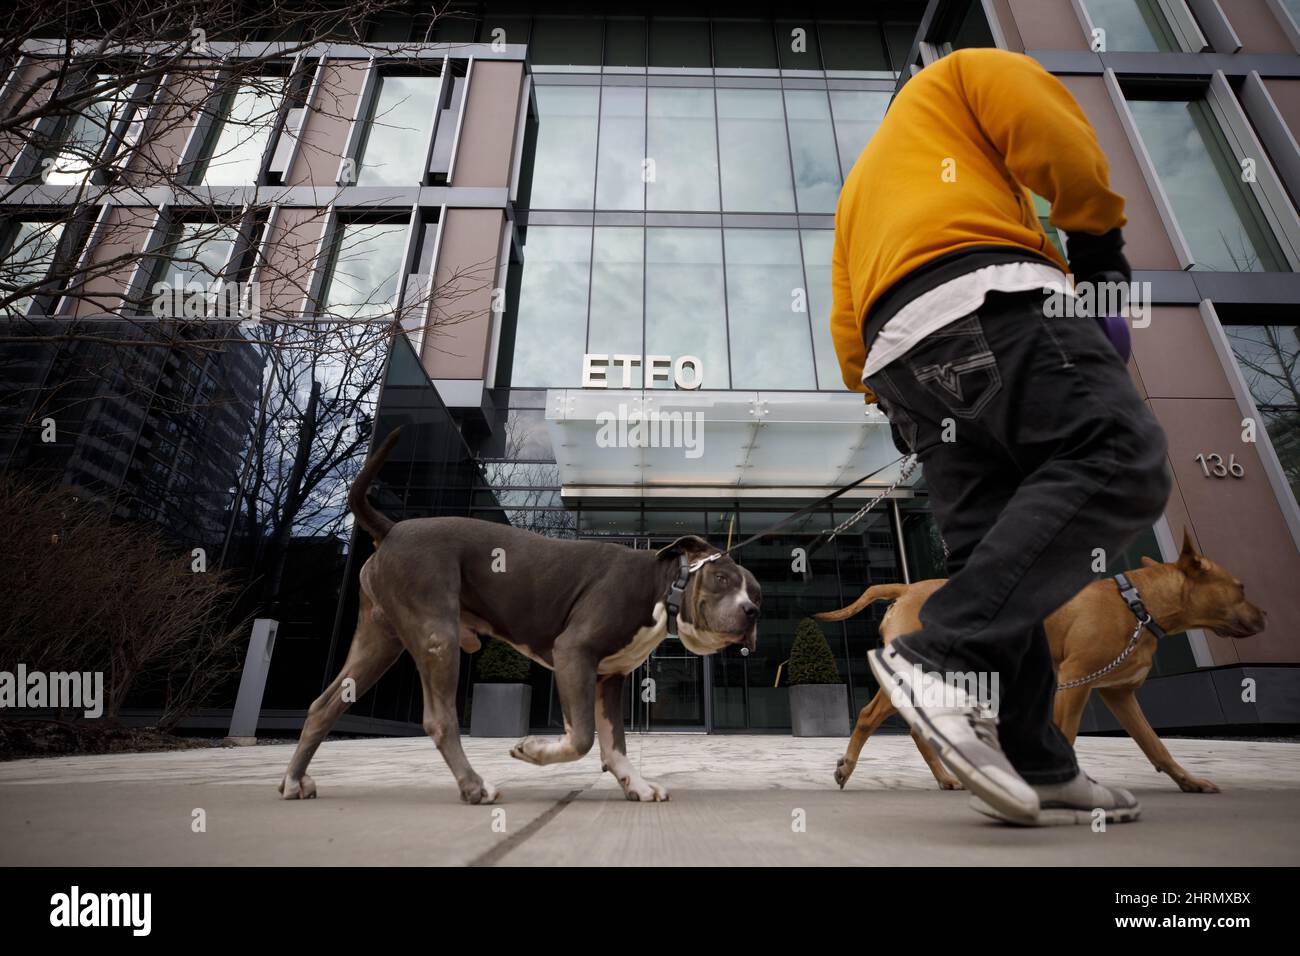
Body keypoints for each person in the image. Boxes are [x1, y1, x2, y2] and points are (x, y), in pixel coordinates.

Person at [830, 47, 1172, 826]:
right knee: (1120, 457)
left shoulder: (857, 193)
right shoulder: (954, 75)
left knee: (989, 554)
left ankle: (1038, 760)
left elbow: (844, 314)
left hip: (904, 358)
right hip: (991, 294)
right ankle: (940, 655)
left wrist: (888, 397)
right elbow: (1047, 123)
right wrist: (1095, 243)